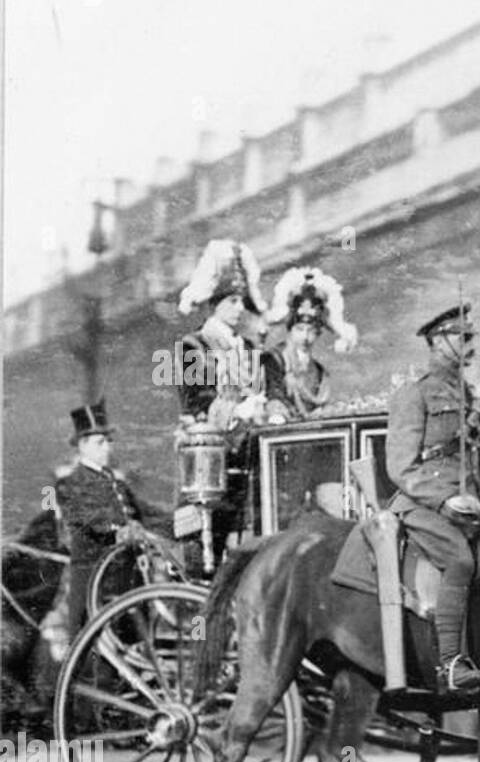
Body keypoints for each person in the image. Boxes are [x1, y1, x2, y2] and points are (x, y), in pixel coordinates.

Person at [385, 303, 480, 694]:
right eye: (462, 337)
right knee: (459, 560)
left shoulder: (467, 393)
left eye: (472, 336)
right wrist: (444, 503)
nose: (470, 345)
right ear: (438, 341)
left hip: (468, 503)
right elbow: (401, 468)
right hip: (422, 506)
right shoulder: (413, 392)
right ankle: (451, 664)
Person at [175, 239, 269, 557]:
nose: (240, 308)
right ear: (214, 303)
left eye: (241, 301)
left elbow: (260, 391)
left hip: (250, 455)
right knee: (210, 548)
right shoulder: (193, 345)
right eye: (232, 301)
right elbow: (196, 403)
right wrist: (238, 410)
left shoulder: (250, 347)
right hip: (211, 461)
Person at [54, 401, 159, 635]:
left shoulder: (116, 482)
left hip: (126, 582)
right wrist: (119, 530)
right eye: (100, 443)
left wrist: (180, 522)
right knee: (95, 656)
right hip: (95, 583)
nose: (107, 449)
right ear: (82, 445)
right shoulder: (69, 484)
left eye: (108, 442)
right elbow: (90, 519)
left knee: (134, 647)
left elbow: (146, 514)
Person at [262, 267, 358, 421]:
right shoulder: (273, 360)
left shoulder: (319, 371)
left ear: (318, 334)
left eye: (311, 331)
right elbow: (272, 395)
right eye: (300, 329)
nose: (305, 338)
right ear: (290, 331)